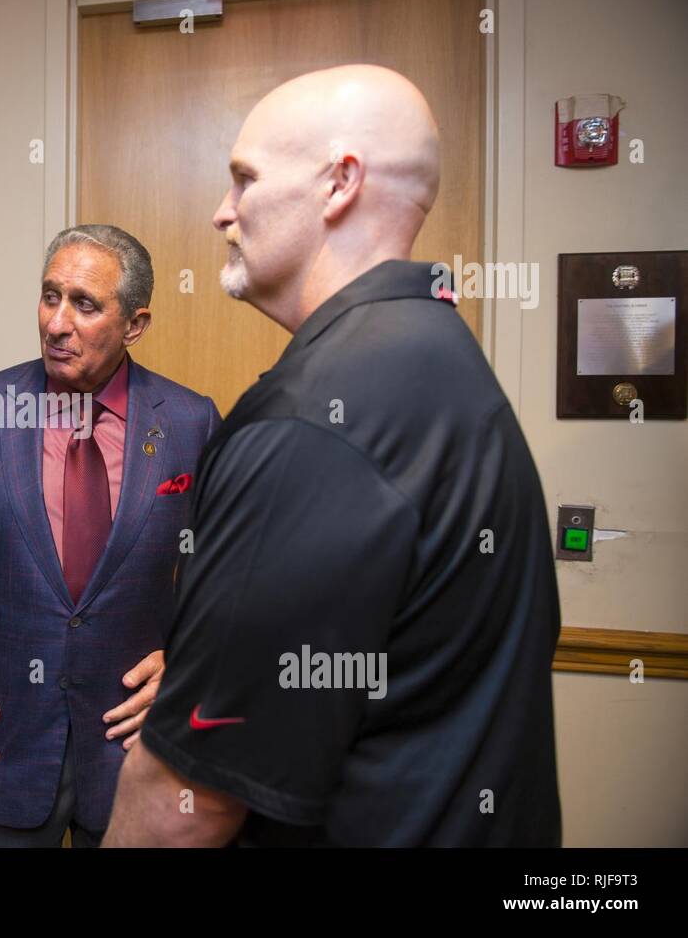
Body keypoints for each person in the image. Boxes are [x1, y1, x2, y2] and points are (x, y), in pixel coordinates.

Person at [105, 65, 563, 847]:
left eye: (244, 179)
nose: (223, 212)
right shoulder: (444, 360)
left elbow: (188, 803)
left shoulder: (312, 422)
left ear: (339, 182)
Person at [0, 224, 221, 847]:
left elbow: (228, 572)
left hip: (135, 743)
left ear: (135, 323)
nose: (56, 322)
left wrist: (186, 664)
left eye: (85, 304)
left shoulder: (190, 421)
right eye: (50, 296)